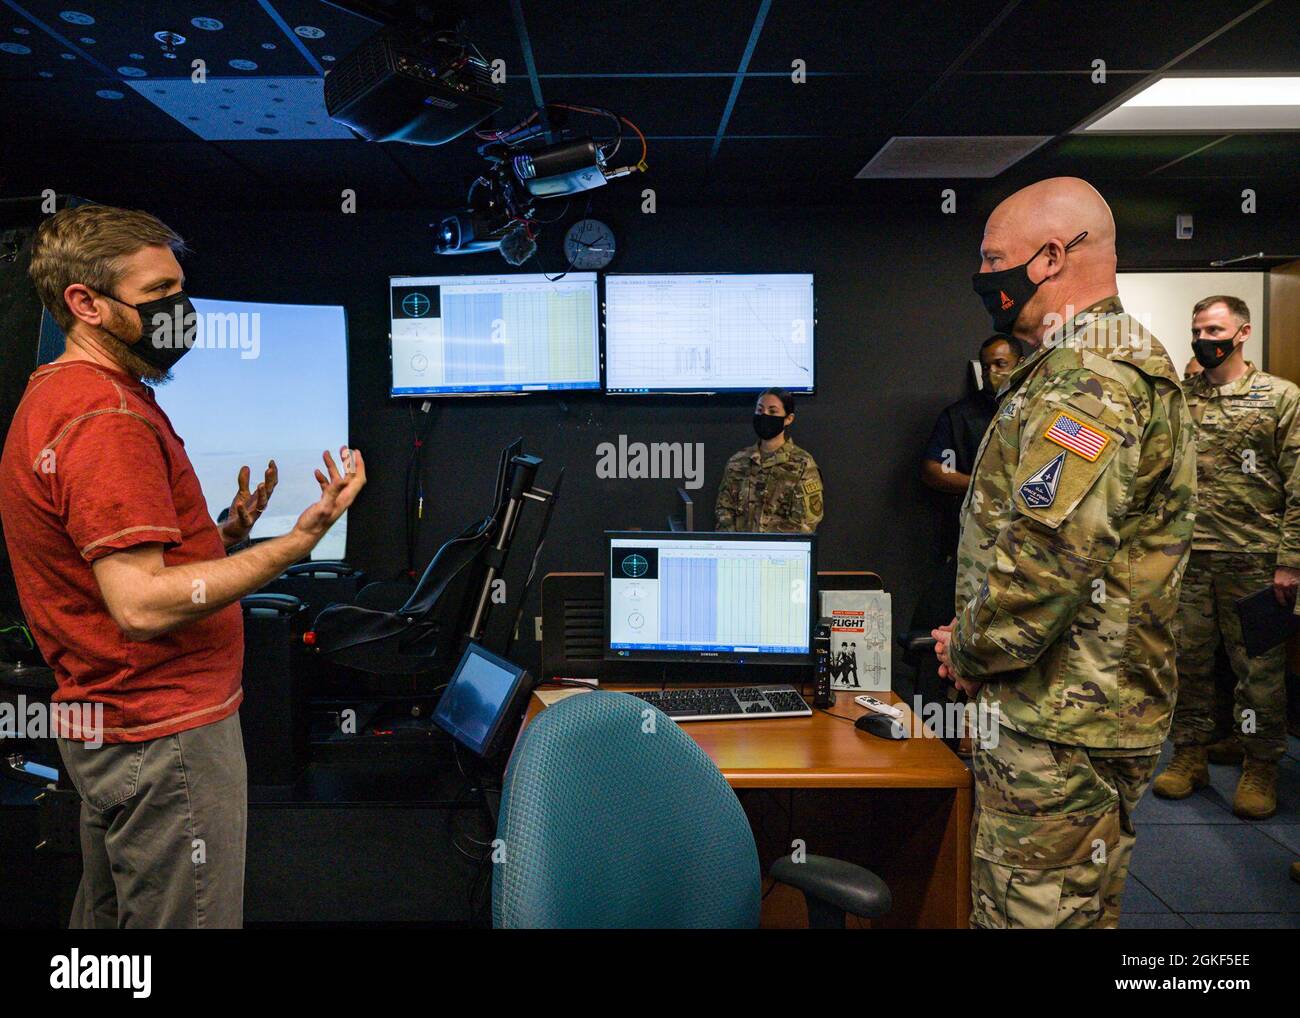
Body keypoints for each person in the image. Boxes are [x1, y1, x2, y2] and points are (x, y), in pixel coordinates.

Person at [0, 204, 366, 928]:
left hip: (118, 728)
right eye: (159, 292)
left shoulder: (65, 395)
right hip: (162, 736)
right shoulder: (106, 420)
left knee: (110, 936)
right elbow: (138, 605)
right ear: (86, 304)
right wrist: (295, 545)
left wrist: (223, 535)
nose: (181, 309)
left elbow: (120, 569)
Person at [930, 177, 1196, 929]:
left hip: (1061, 720)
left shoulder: (1091, 377)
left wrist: (971, 651)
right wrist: (978, 634)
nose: (984, 278)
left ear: (1049, 258)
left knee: (1032, 917)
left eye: (993, 260)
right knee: (1076, 913)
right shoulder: (1086, 359)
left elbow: (1048, 567)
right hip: (1075, 705)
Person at [1153, 295, 1300, 819]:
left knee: (1259, 670)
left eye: (1213, 329)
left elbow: (1298, 483)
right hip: (1188, 559)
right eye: (1196, 329)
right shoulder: (1178, 398)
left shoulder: (1280, 398)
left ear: (1242, 333)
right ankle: (1189, 755)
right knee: (1187, 663)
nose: (1202, 338)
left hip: (1257, 559)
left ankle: (1259, 765)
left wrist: (1291, 560)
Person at [921, 334, 1024, 554]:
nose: (992, 372)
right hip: (978, 530)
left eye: (1000, 364)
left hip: (1030, 531)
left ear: (1020, 363)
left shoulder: (1037, 409)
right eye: (986, 367)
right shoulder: (960, 416)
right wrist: (984, 485)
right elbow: (933, 470)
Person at [715, 387, 823, 533]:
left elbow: (806, 523)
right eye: (760, 410)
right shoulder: (738, 461)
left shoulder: (802, 464)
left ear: (788, 419)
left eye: (772, 411)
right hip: (739, 552)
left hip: (782, 552)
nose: (764, 415)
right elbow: (724, 512)